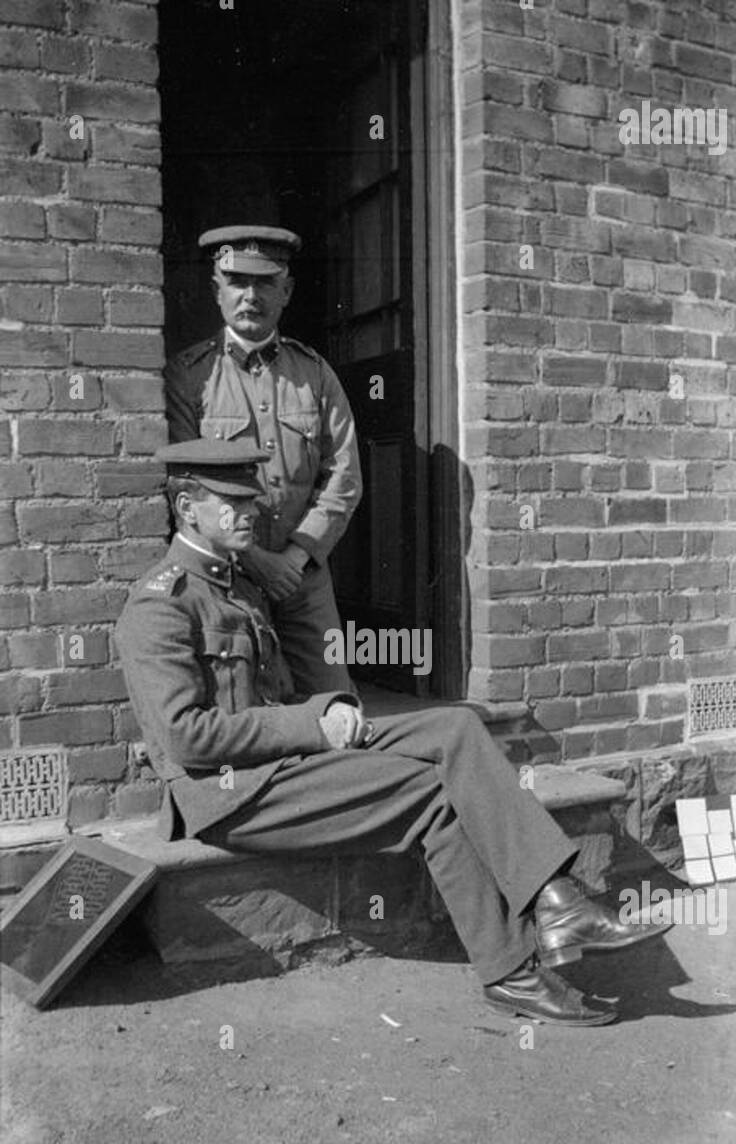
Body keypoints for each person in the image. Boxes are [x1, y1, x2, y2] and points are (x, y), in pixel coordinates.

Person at [115, 441, 674, 1029]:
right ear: (185, 506)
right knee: (435, 792)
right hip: (231, 794)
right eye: (230, 501)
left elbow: (270, 697)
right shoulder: (162, 605)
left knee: (458, 726)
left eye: (250, 498)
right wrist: (314, 723)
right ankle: (518, 966)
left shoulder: (239, 586)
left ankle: (557, 905)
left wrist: (325, 708)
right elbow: (185, 737)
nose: (249, 511)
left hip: (282, 765)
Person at [164, 224, 361, 696]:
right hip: (224, 577)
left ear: (286, 290)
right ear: (217, 290)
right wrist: (256, 560)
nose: (251, 295)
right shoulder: (188, 377)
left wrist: (294, 556)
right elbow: (185, 484)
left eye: (265, 282)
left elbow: (345, 475)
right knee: (242, 709)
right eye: (237, 282)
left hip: (303, 577)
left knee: (337, 701)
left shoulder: (314, 373)